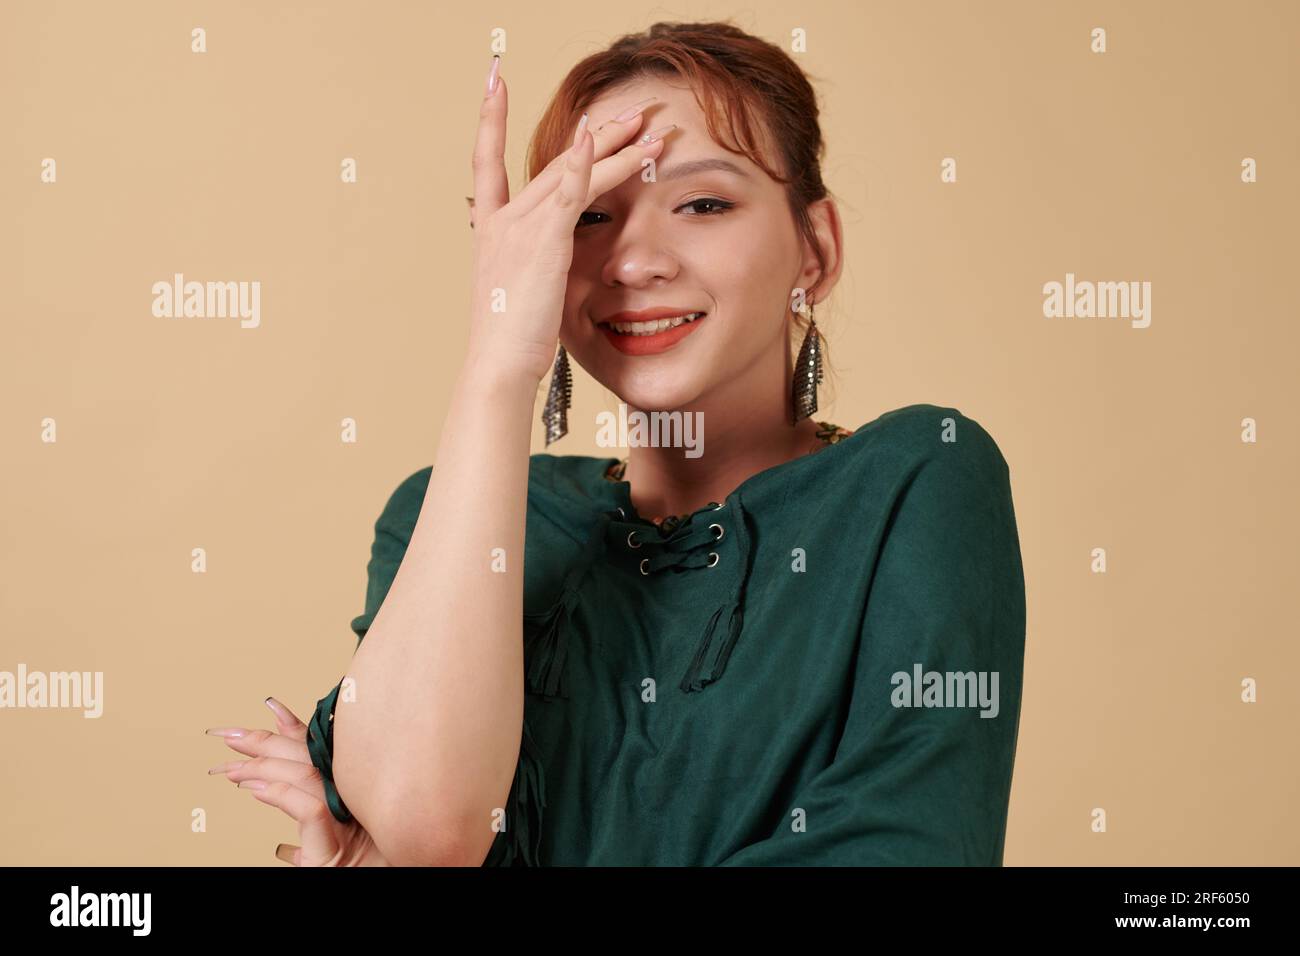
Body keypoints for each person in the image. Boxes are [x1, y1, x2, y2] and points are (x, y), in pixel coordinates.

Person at [206, 20, 1026, 867]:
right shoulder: (443, 512)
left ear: (814, 248)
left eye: (704, 203)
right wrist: (497, 362)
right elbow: (430, 822)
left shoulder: (917, 479)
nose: (634, 263)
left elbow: (902, 851)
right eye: (589, 214)